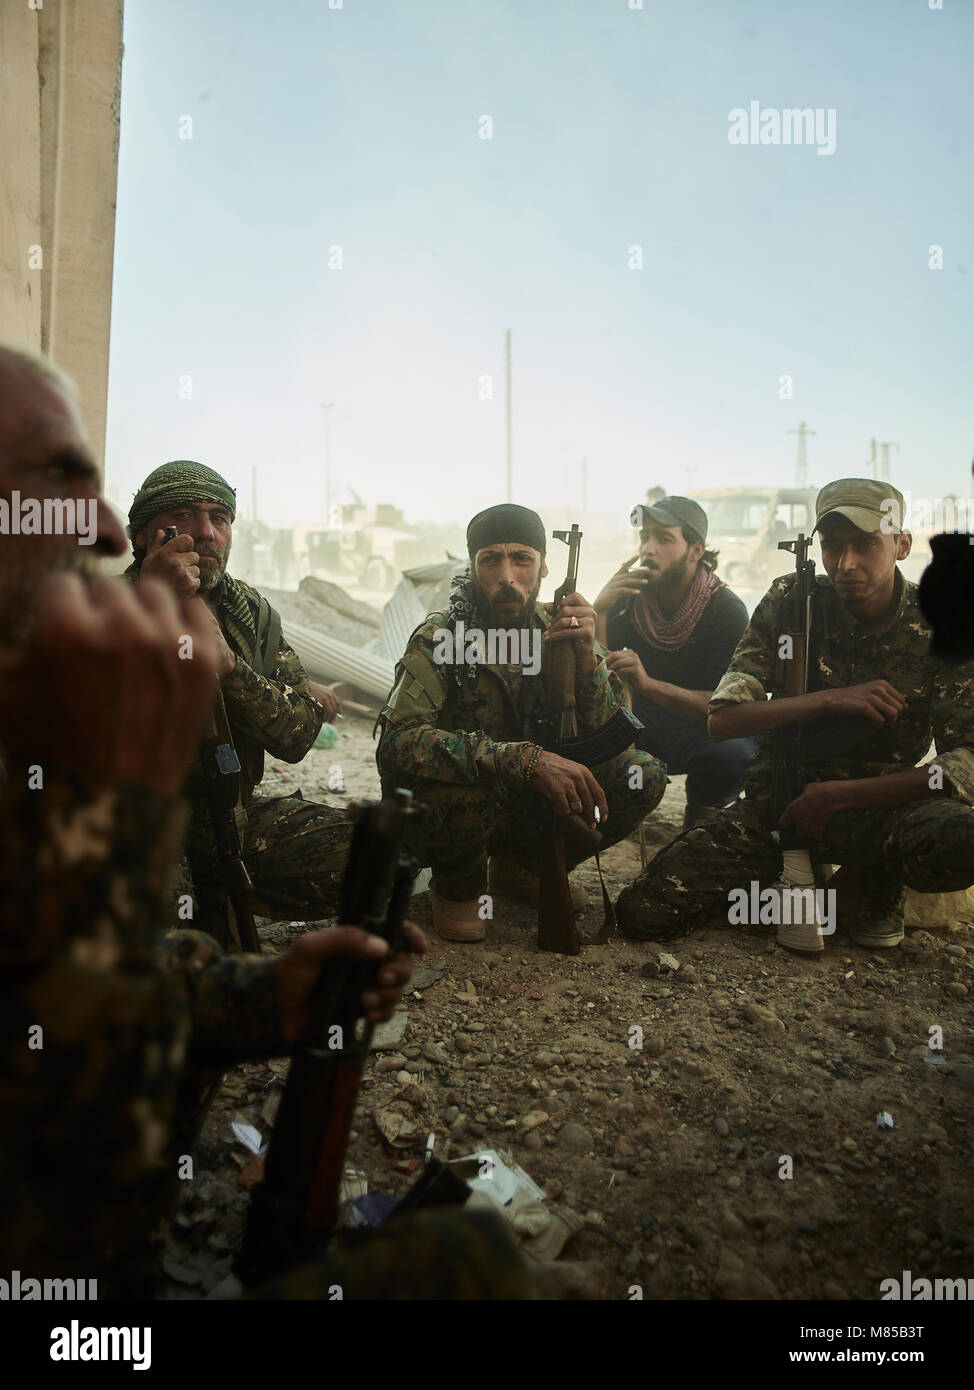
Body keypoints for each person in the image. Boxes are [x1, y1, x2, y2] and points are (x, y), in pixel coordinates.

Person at [0, 346, 528, 1302]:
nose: (115, 527)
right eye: (56, 486)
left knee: (383, 879)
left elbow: (292, 736)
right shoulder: (98, 634)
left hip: (240, 829)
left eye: (218, 517)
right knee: (472, 1270)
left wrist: (258, 999)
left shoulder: (239, 611)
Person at [615, 478, 974, 950]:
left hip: (883, 808)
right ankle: (792, 882)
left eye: (866, 545)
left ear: (902, 544)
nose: (846, 564)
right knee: (643, 913)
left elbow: (965, 760)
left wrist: (840, 795)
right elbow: (723, 719)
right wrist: (830, 699)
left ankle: (873, 873)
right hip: (779, 806)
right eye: (833, 546)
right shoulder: (791, 600)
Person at [375, 503, 667, 941]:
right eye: (491, 559)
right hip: (463, 803)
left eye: (521, 559)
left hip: (531, 804)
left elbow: (610, 737)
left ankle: (523, 868)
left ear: (544, 568)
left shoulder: (561, 630)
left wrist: (588, 661)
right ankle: (458, 884)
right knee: (467, 792)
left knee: (641, 774)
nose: (507, 576)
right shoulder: (442, 637)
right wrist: (521, 759)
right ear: (472, 568)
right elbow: (398, 743)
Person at [126, 460, 349, 946]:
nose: (206, 533)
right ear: (143, 535)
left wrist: (230, 668)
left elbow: (299, 733)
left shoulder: (252, 615)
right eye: (185, 516)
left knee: (372, 855)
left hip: (233, 818)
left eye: (219, 519)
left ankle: (217, 907)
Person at [594, 496, 754, 827]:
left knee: (734, 753)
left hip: (702, 727)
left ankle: (700, 817)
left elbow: (721, 706)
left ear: (696, 551)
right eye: (645, 537)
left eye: (664, 539)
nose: (648, 549)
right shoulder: (630, 597)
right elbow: (598, 681)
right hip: (643, 722)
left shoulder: (725, 610)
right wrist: (601, 609)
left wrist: (647, 684)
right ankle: (612, 820)